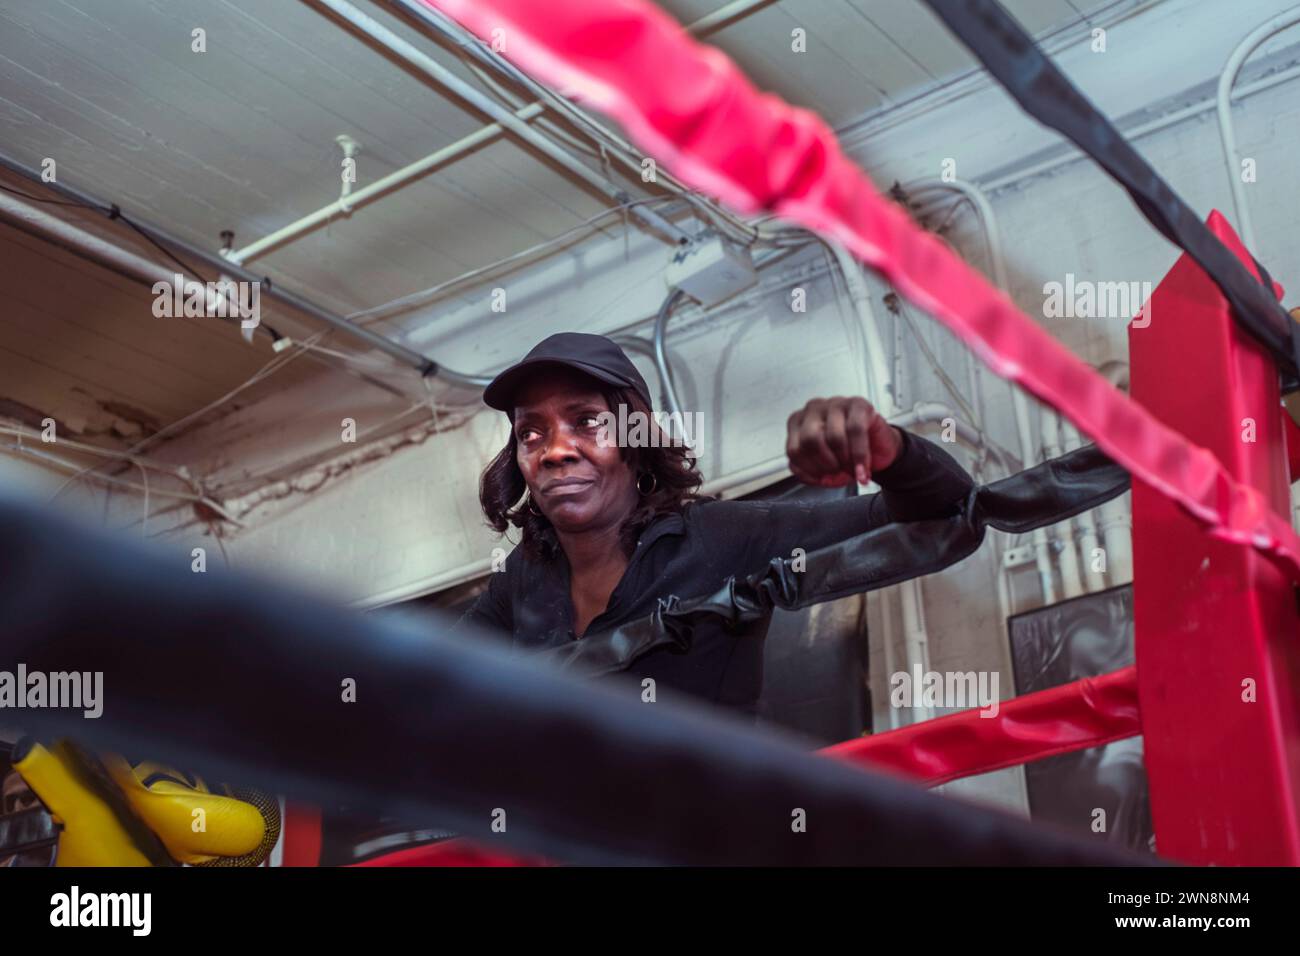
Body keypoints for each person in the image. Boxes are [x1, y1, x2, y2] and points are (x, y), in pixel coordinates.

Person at [457, 332, 973, 718]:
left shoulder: (720, 539)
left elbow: (949, 518)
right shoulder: (523, 581)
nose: (555, 451)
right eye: (531, 433)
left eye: (587, 421)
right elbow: (427, 684)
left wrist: (892, 452)